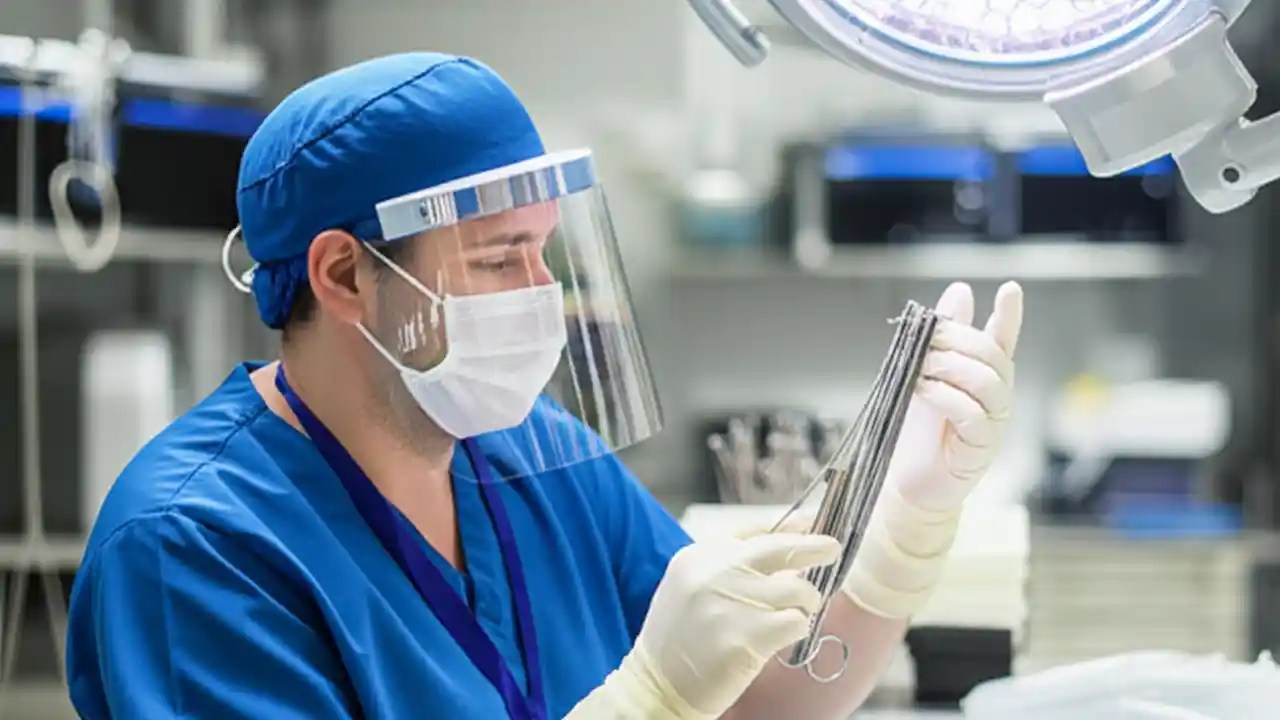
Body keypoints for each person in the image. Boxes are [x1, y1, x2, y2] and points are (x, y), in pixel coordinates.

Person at [65, 52, 1023, 720]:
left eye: (545, 253)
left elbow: (763, 699)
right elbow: (678, 694)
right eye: (497, 259)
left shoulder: (535, 452)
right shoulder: (192, 550)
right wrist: (651, 701)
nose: (542, 297)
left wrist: (908, 523)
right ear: (345, 275)